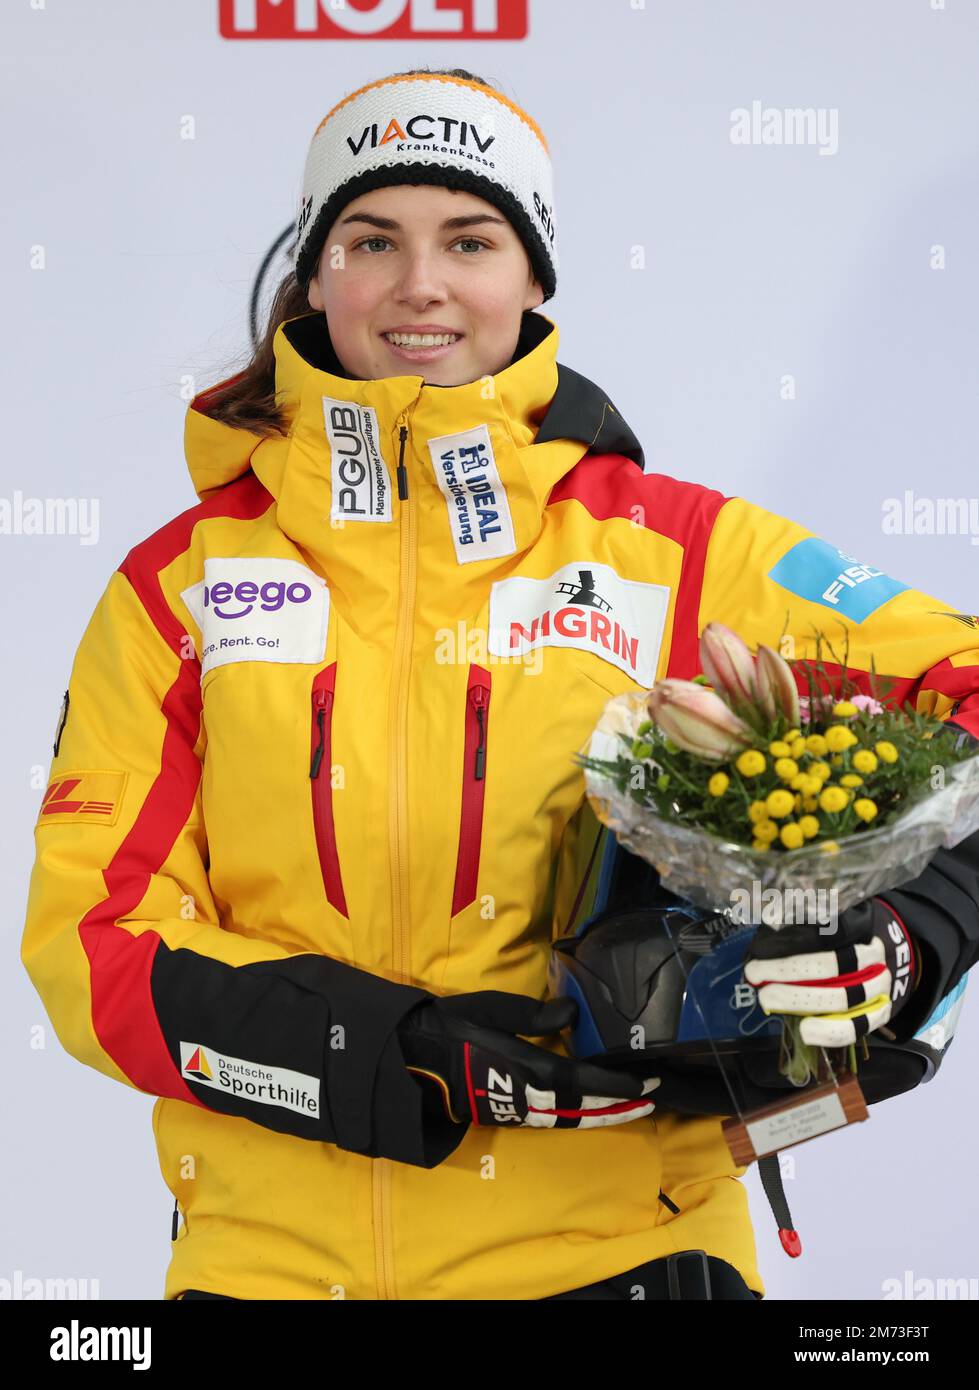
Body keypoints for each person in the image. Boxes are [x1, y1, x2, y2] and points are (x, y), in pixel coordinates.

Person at [21, 66, 979, 1303]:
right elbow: (91, 954)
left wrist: (907, 930)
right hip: (268, 1272)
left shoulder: (680, 554)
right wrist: (401, 1057)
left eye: (469, 239)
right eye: (372, 239)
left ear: (532, 279)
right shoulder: (178, 588)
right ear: (315, 277)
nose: (420, 284)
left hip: (626, 1257)